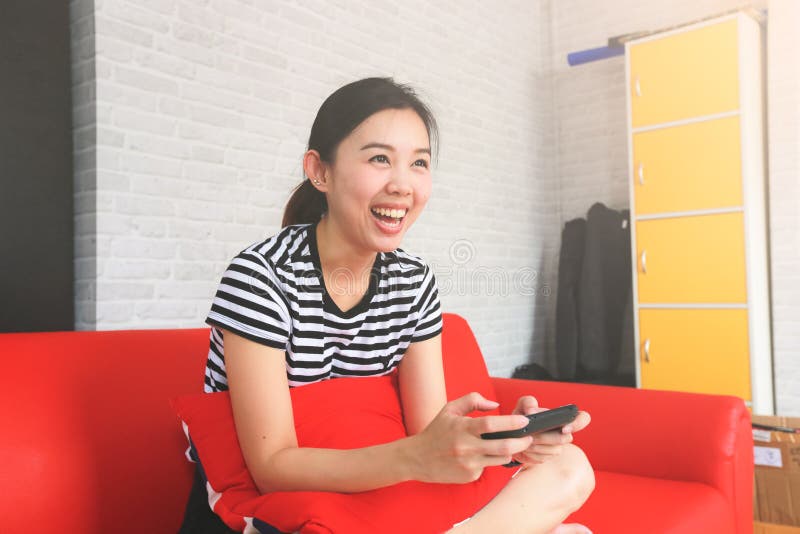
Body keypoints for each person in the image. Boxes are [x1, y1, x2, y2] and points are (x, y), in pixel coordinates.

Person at [183, 77, 595, 534]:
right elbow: (272, 468)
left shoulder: (414, 282)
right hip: (290, 498)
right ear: (320, 171)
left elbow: (428, 431)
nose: (402, 185)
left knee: (571, 466)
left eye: (419, 163)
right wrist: (415, 456)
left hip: (381, 483)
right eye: (380, 158)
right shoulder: (261, 277)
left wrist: (506, 443)